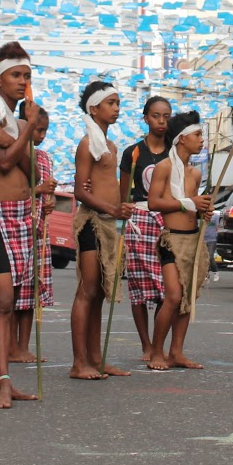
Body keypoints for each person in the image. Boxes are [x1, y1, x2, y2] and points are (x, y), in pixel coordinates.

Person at [0, 43, 55, 408]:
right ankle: (3, 381)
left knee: (14, 301)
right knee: (3, 303)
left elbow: (34, 172)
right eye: (16, 75)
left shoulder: (17, 124)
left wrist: (18, 135)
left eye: (27, 76)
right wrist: (24, 133)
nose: (23, 82)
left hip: (24, 216)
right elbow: (4, 165)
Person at [70, 80, 132, 381]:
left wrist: (123, 206)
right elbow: (80, 191)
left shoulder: (110, 146)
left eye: (118, 103)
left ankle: (96, 358)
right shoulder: (87, 144)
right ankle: (78, 362)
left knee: (99, 294)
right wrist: (110, 209)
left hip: (109, 224)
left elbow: (108, 188)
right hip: (92, 223)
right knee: (87, 290)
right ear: (94, 109)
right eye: (111, 103)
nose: (117, 108)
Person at [146, 110, 213, 371]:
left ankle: (177, 352)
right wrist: (189, 203)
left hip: (192, 239)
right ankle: (156, 352)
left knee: (187, 297)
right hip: (171, 240)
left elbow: (194, 209)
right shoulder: (164, 167)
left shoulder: (194, 174)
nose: (202, 140)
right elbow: (154, 203)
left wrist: (203, 210)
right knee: (173, 296)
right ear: (182, 139)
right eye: (198, 135)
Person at [121, 96, 172, 358]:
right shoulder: (133, 152)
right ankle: (146, 345)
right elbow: (124, 194)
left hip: (169, 222)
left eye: (166, 116)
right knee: (140, 287)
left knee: (167, 286)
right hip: (140, 222)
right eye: (156, 115)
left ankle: (159, 343)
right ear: (145, 118)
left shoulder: (174, 152)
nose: (161, 121)